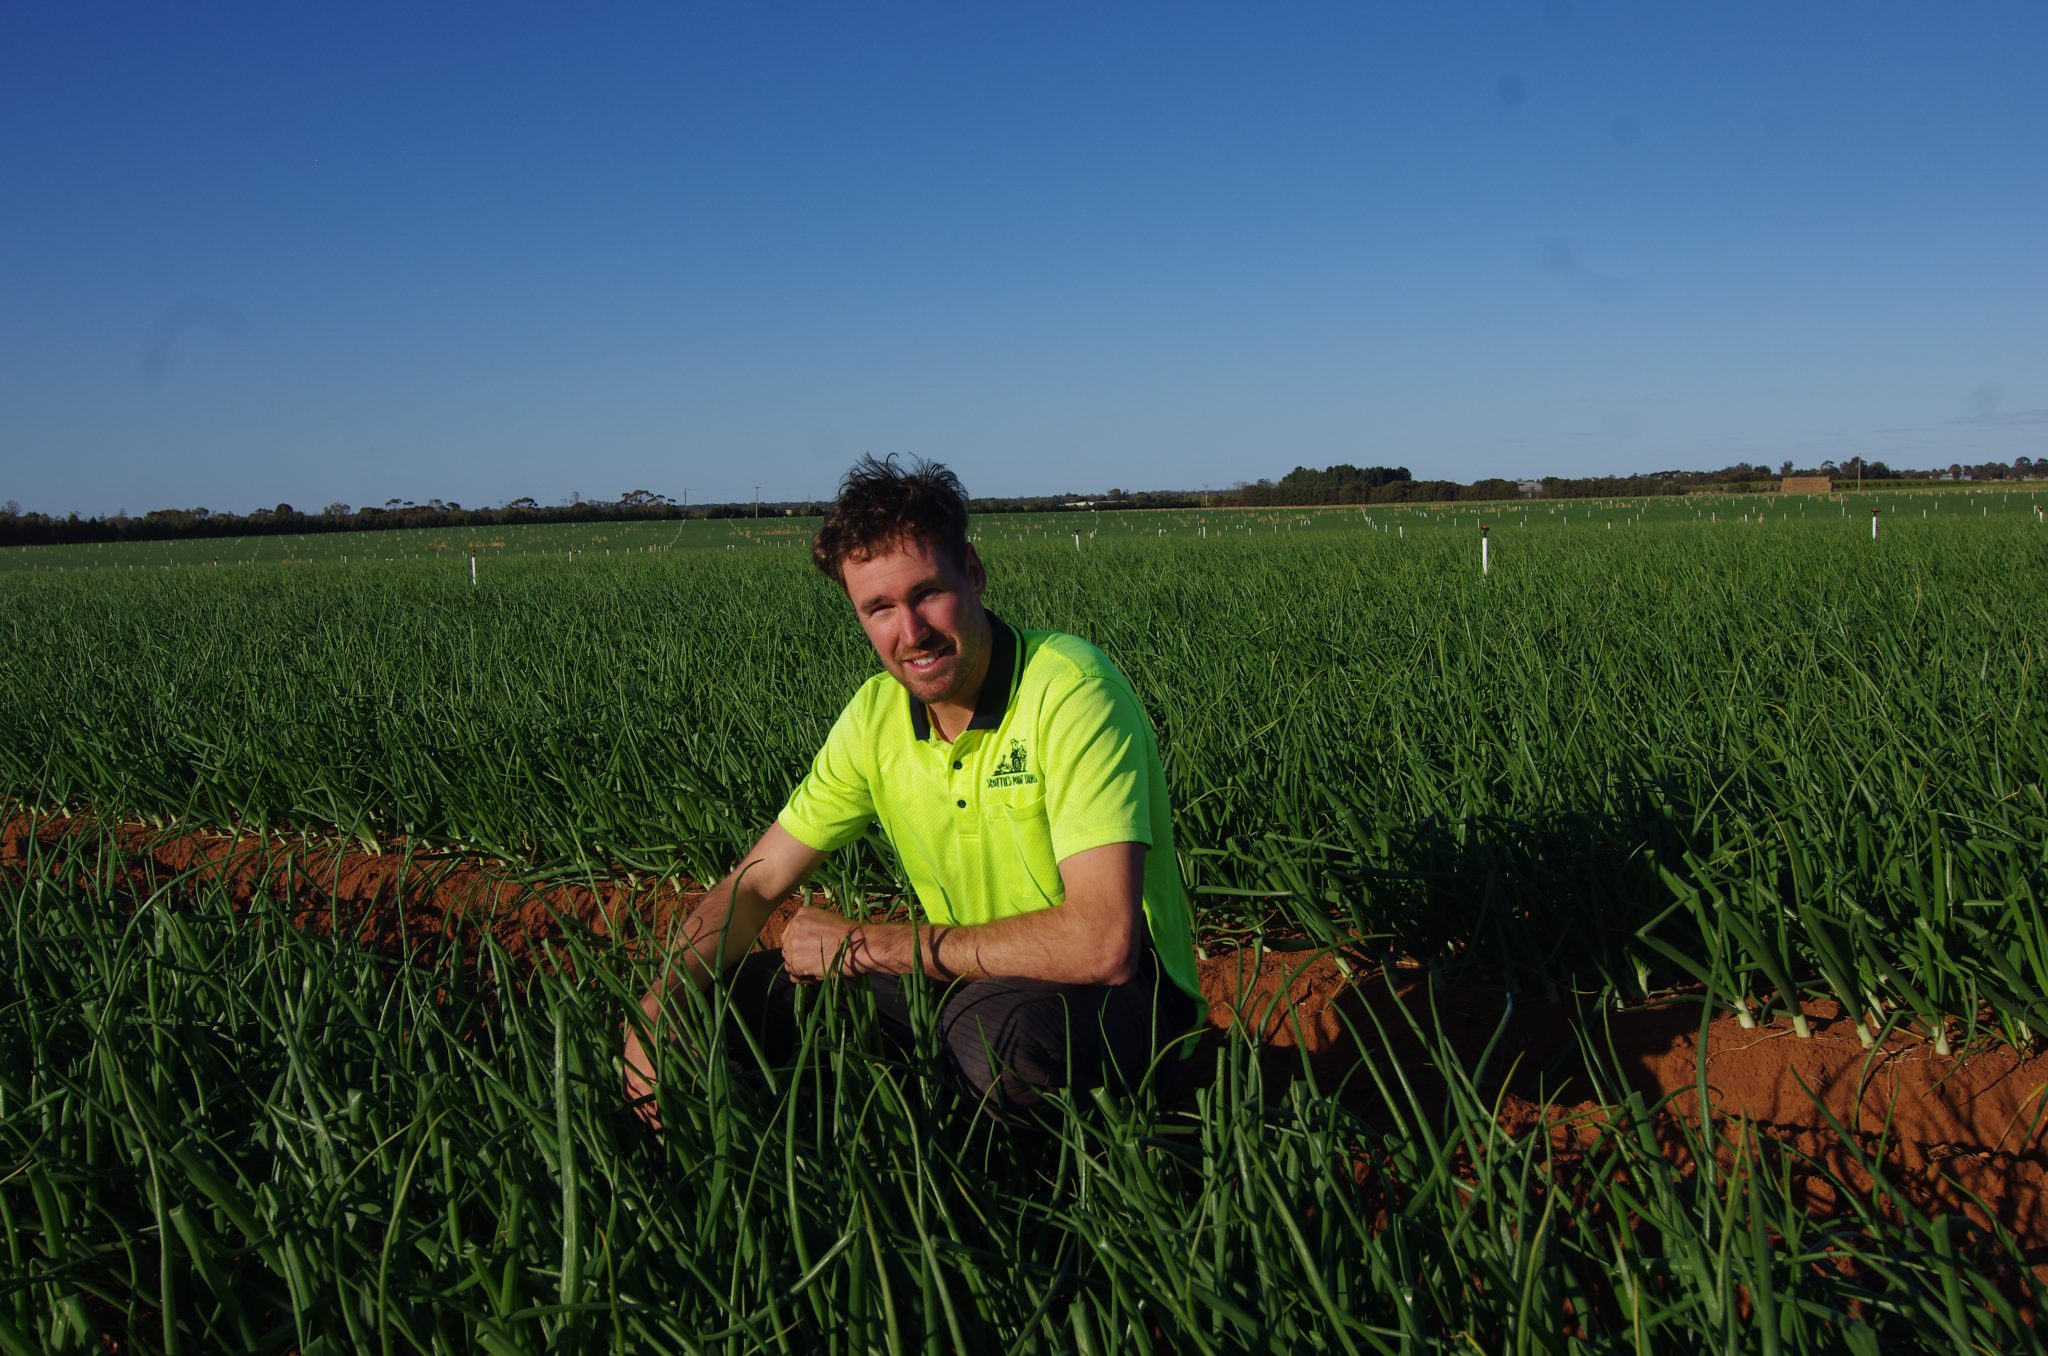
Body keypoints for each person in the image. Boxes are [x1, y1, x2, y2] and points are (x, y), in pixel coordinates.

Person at [623, 456, 1202, 1126]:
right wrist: (659, 1002)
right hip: (961, 977)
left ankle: (1054, 1179)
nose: (911, 632)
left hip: (1122, 997)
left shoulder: (1070, 690)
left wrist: (865, 945)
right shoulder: (875, 719)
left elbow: (1101, 944)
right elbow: (753, 886)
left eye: (927, 593)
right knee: (720, 1008)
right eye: (879, 608)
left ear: (974, 573)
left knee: (996, 1043)